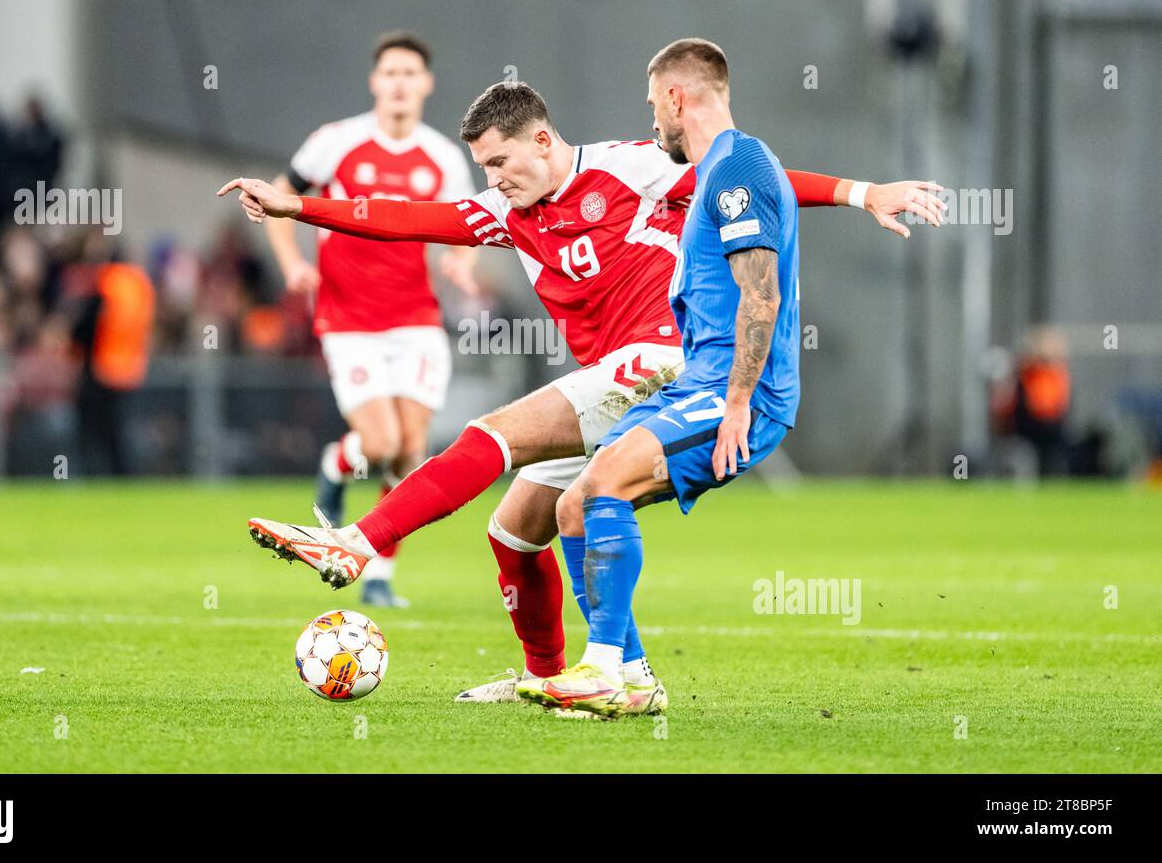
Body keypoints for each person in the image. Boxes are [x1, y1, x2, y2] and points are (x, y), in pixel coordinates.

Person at [219, 80, 943, 715]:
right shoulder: (506, 213)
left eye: (500, 162)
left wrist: (862, 192)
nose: (494, 179)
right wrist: (295, 208)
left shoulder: (631, 167)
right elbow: (405, 218)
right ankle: (572, 676)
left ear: (542, 139)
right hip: (614, 384)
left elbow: (753, 182)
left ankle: (356, 542)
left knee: (494, 433)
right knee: (515, 529)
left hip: (662, 361)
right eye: (485, 168)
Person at [261, 31, 479, 608]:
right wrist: (290, 264)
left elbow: (470, 227)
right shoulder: (335, 144)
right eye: (390, 73)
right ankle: (337, 465)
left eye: (411, 73)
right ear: (374, 81)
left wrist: (460, 263)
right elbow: (281, 200)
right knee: (379, 442)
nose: (400, 83)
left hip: (415, 317)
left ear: (426, 84)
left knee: (410, 449)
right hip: (349, 318)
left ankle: (378, 573)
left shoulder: (443, 158)